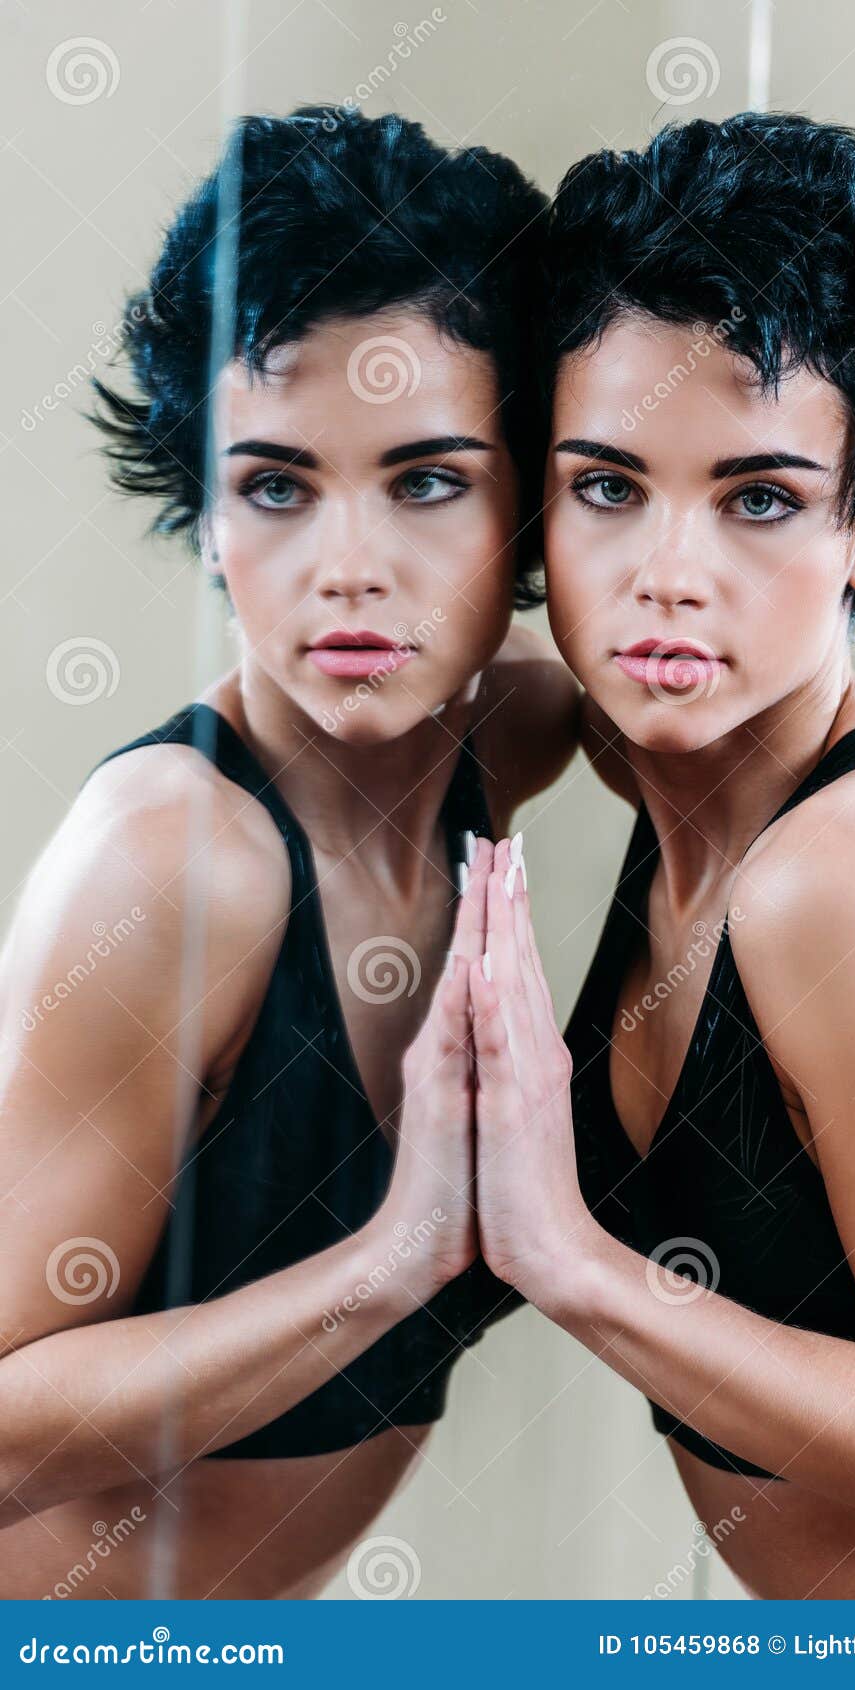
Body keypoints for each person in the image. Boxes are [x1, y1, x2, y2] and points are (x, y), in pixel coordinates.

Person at [463, 113, 855, 1600]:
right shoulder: (672, 743)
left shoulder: (845, 879)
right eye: (609, 484)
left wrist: (568, 1257)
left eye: (760, 498)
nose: (669, 573)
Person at [0, 106, 572, 1600]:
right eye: (274, 484)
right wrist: (398, 1258)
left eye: (428, 479)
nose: (348, 566)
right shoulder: (177, 866)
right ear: (203, 517)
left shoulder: (494, 736)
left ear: (531, 509)